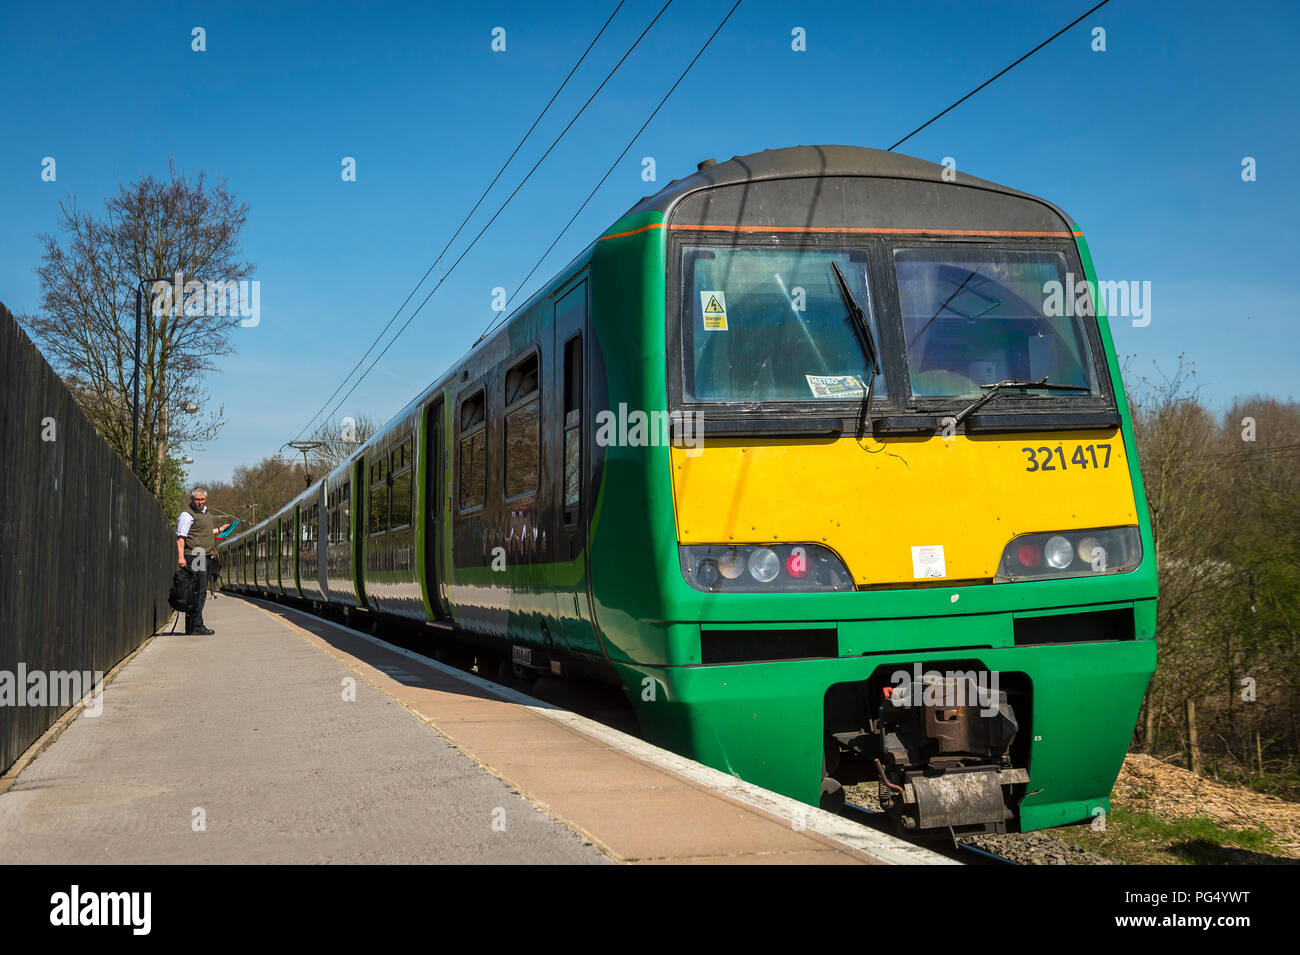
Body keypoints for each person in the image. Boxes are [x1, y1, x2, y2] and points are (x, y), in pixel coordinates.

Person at [176, 487, 230, 634]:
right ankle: (196, 626)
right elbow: (181, 537)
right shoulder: (187, 515)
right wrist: (181, 557)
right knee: (197, 591)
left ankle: (194, 625)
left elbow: (202, 532)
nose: (200, 502)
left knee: (199, 590)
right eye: (197, 500)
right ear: (192, 500)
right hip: (195, 556)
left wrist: (219, 530)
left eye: (202, 499)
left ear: (205, 500)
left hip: (203, 555)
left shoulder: (205, 513)